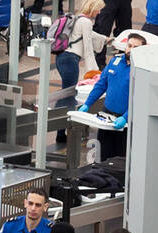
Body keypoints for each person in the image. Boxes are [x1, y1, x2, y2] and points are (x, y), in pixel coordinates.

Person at [79, 33, 145, 161]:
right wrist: (87, 104)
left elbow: (140, 99)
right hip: (107, 116)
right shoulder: (115, 61)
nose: (130, 50)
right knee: (103, 154)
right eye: (129, 46)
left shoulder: (141, 69)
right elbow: (101, 85)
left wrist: (125, 118)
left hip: (125, 122)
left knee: (120, 159)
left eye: (135, 47)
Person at [57, 0, 107, 89]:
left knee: (66, 90)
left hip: (61, 57)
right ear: (92, 8)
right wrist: (93, 70)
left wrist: (106, 39)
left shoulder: (77, 18)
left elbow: (91, 35)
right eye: (98, 9)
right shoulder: (86, 22)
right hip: (70, 60)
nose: (99, 12)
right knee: (69, 92)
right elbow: (88, 48)